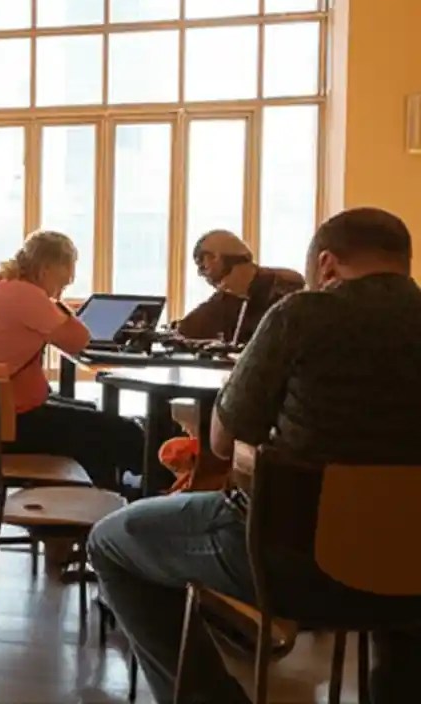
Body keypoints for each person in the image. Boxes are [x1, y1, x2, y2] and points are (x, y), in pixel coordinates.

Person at [89, 207, 421, 704]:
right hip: (411, 563)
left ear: (326, 265)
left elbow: (223, 442)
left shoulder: (301, 315)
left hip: (293, 564)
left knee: (112, 540)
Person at [0, 231, 144, 491]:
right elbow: (79, 340)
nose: (65, 286)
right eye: (63, 281)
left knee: (91, 414)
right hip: (13, 427)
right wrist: (57, 304)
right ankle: (147, 500)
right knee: (125, 431)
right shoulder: (25, 294)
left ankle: (98, 501)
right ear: (46, 269)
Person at [175, 230, 304, 344]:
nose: (200, 274)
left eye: (202, 265)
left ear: (215, 257)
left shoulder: (285, 286)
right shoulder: (223, 300)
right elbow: (186, 329)